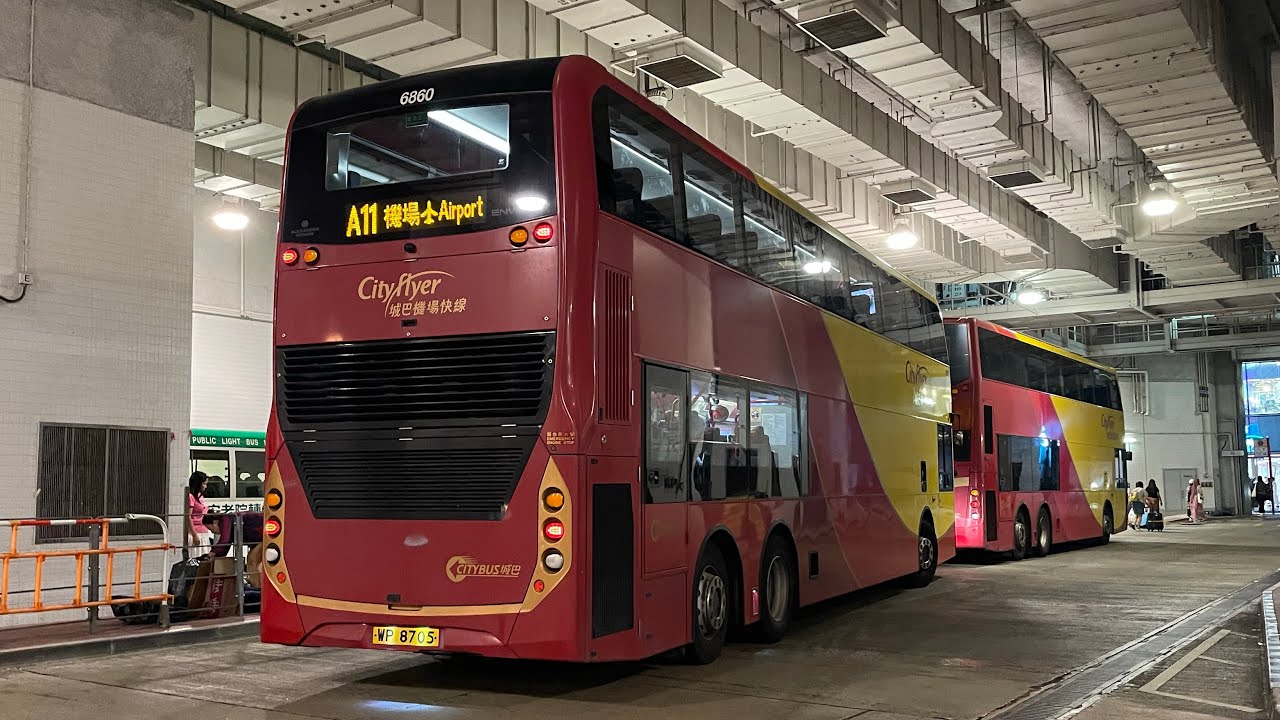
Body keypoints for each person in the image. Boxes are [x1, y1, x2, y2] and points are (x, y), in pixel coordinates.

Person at [185, 471, 215, 557]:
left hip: (204, 531)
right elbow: (188, 516)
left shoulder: (200, 496)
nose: (206, 487)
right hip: (196, 532)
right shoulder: (191, 496)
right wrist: (194, 535)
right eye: (204, 484)